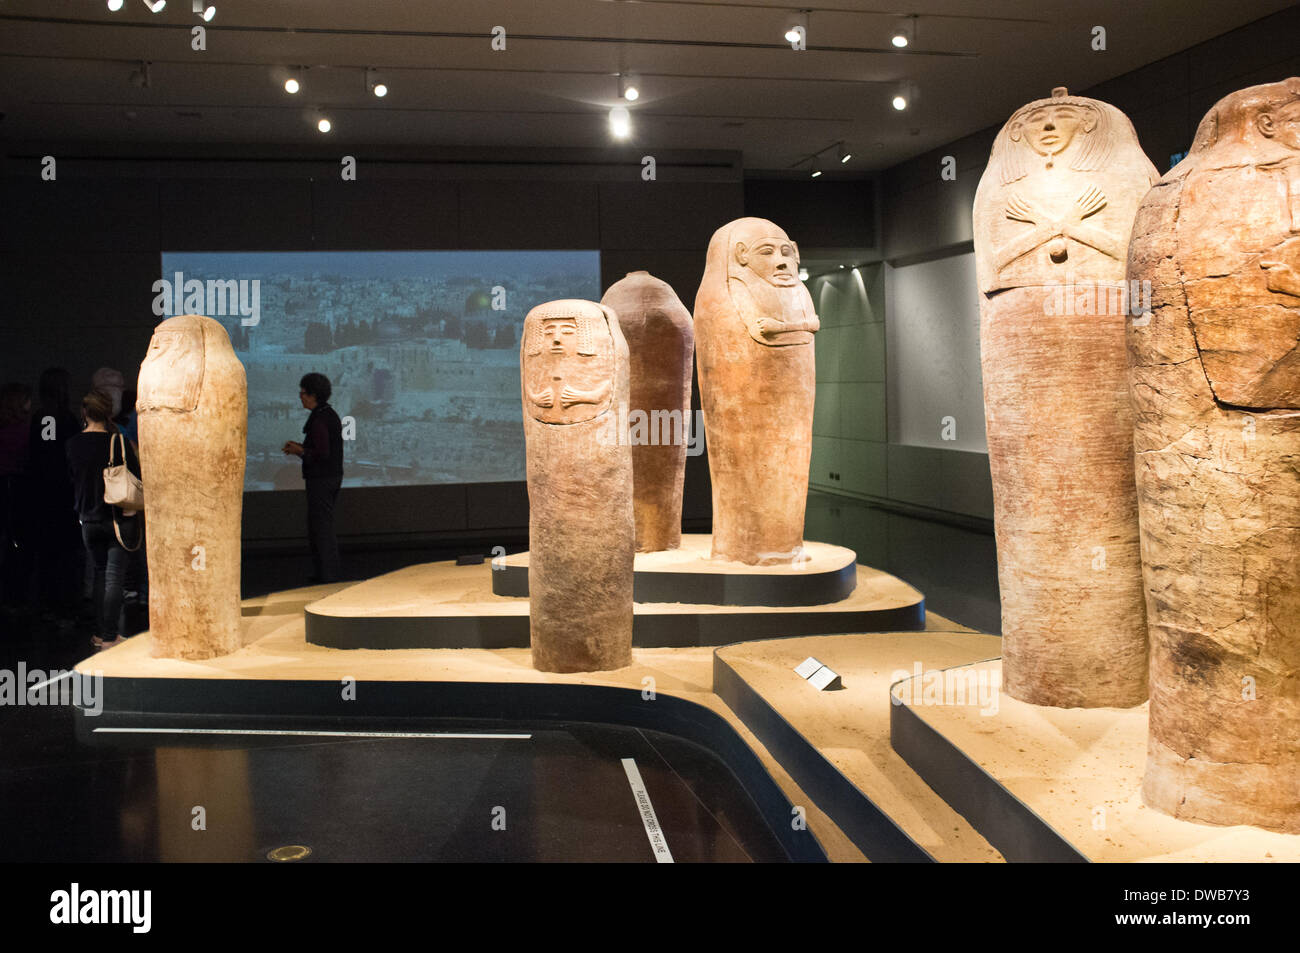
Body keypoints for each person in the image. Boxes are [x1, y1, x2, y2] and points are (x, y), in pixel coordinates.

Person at [66, 390, 141, 649]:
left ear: (84, 413)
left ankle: (100, 633)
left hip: (87, 520)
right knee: (113, 578)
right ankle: (109, 636)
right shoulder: (117, 441)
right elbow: (136, 473)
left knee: (99, 575)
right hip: (115, 518)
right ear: (109, 413)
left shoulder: (72, 444)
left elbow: (71, 480)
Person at [27, 368, 83, 623]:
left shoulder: (40, 417)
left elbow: (36, 454)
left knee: (46, 551)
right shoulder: (67, 418)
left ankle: (46, 602)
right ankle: (65, 604)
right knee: (66, 552)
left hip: (41, 493)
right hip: (63, 492)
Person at [283, 373, 343, 583]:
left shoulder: (320, 418)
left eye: (303, 393)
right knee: (321, 526)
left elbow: (321, 453)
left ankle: (328, 576)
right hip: (329, 477)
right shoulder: (328, 414)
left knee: (321, 528)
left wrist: (299, 450)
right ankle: (326, 574)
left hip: (322, 479)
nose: (300, 397)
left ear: (313, 395)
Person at [0, 382, 33, 611]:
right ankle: (17, 596)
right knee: (19, 544)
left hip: (4, 485)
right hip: (19, 487)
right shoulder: (27, 430)